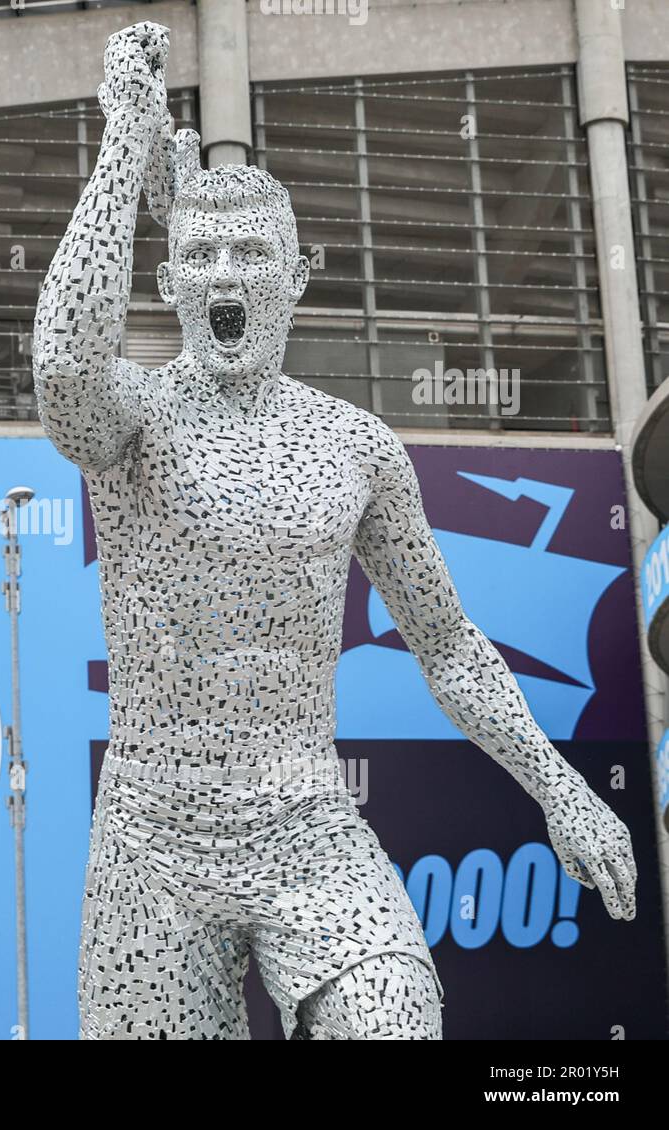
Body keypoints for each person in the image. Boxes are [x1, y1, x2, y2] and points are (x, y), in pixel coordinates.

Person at [32, 20, 637, 1040]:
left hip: (306, 824)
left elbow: (447, 645)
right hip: (152, 841)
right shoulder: (131, 418)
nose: (225, 275)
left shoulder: (357, 447)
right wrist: (123, 141)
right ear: (173, 280)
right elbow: (61, 372)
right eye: (199, 255)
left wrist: (558, 782)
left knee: (394, 1013)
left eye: (251, 253)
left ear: (298, 278)